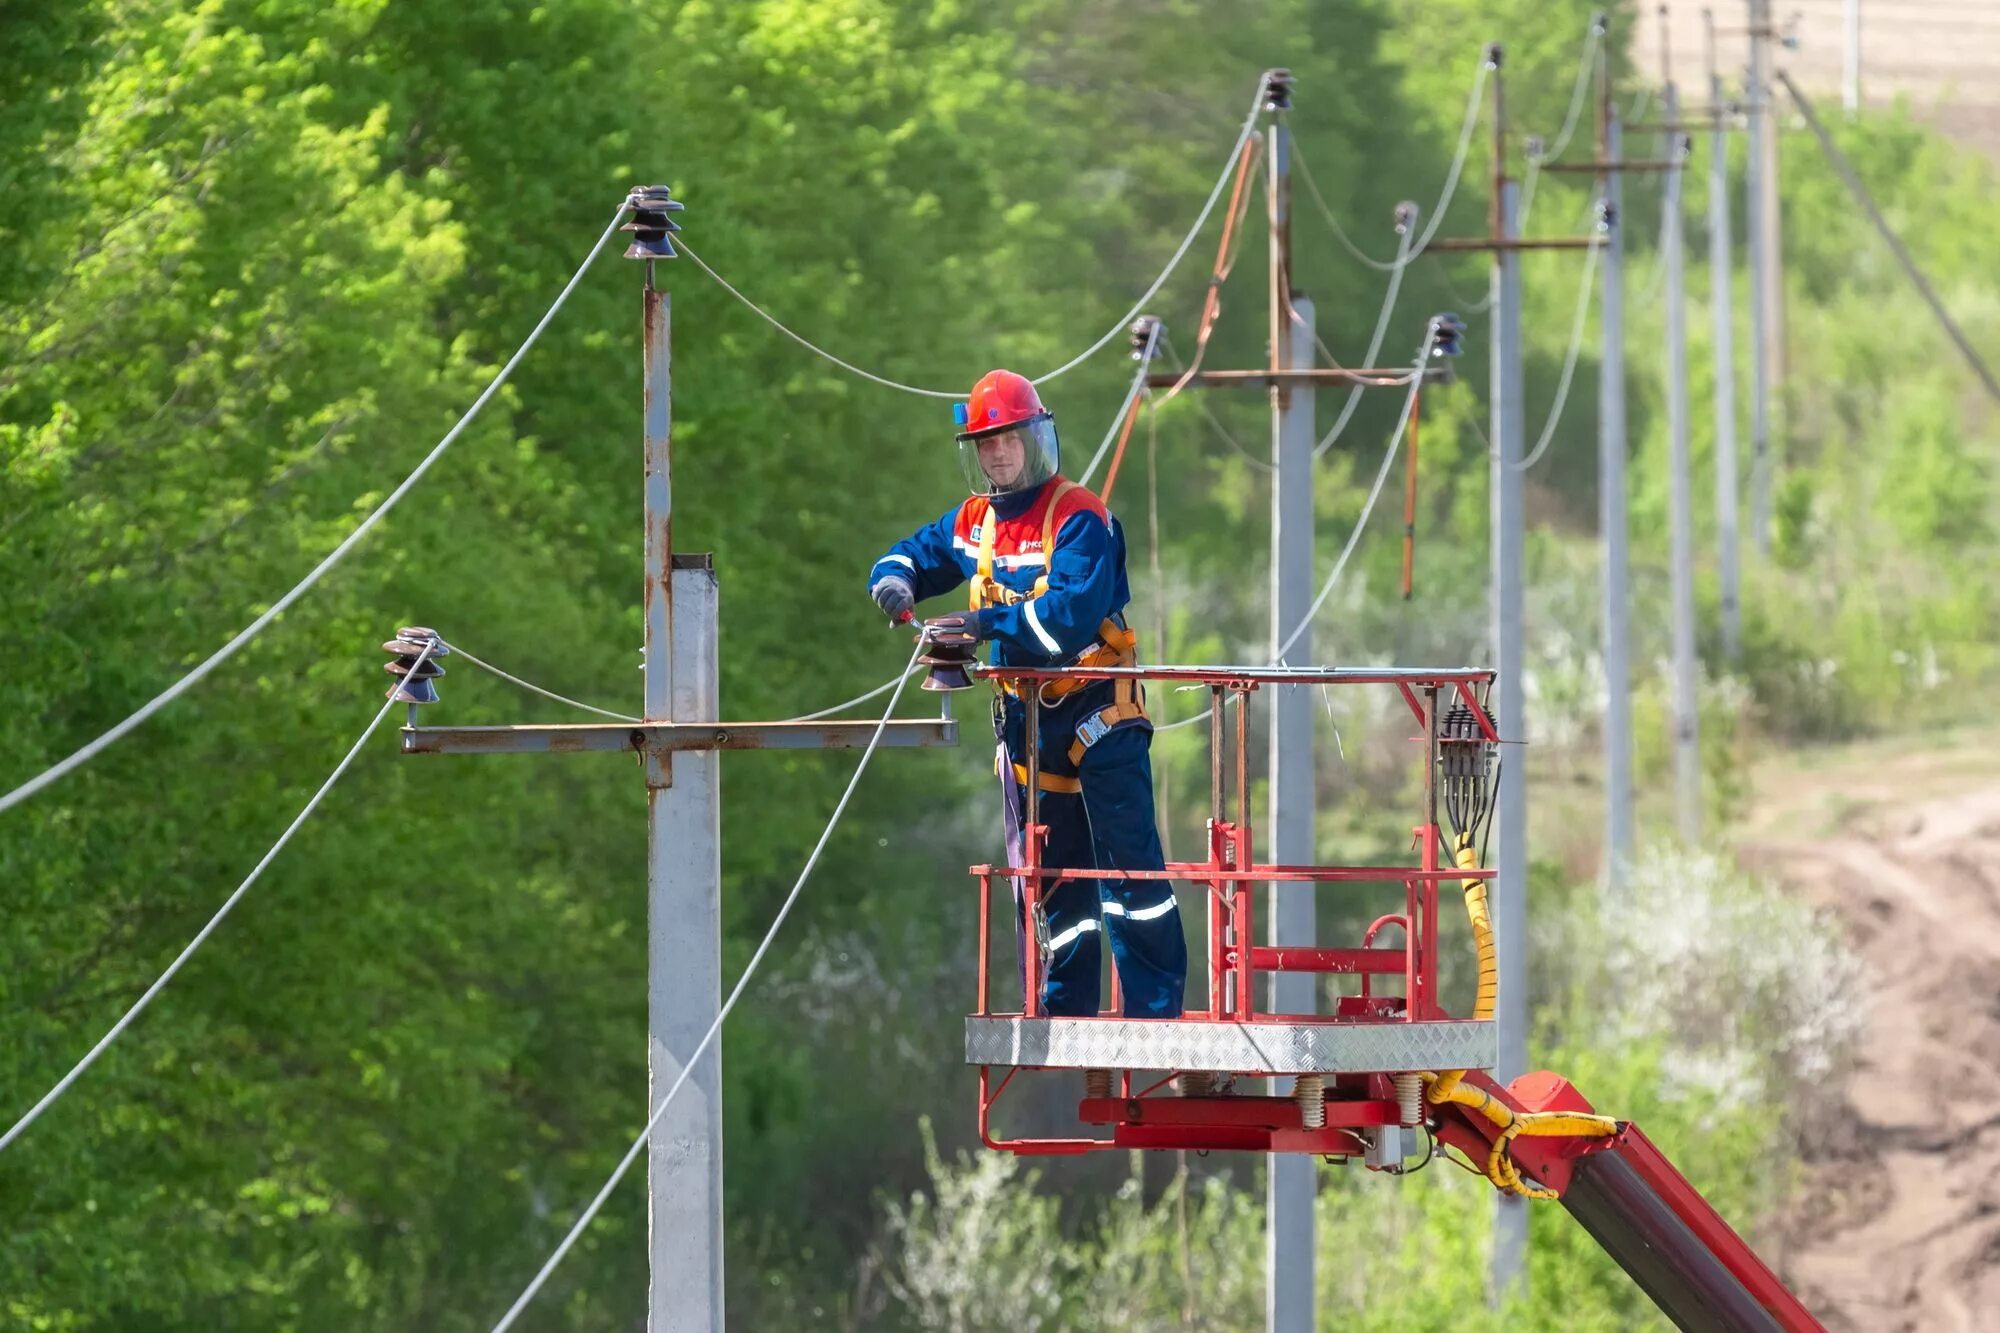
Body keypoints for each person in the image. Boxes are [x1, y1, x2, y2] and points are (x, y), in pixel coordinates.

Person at [866, 369, 1186, 1018]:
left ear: (1035, 436)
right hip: (1030, 725)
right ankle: (1069, 1007)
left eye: (1010, 436)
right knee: (1055, 871)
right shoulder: (975, 522)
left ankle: (1156, 1010)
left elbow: (1064, 617)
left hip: (1099, 706)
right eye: (987, 443)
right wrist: (895, 584)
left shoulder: (1079, 517)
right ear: (974, 453)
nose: (1000, 452)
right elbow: (912, 554)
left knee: (1128, 863)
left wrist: (981, 624)